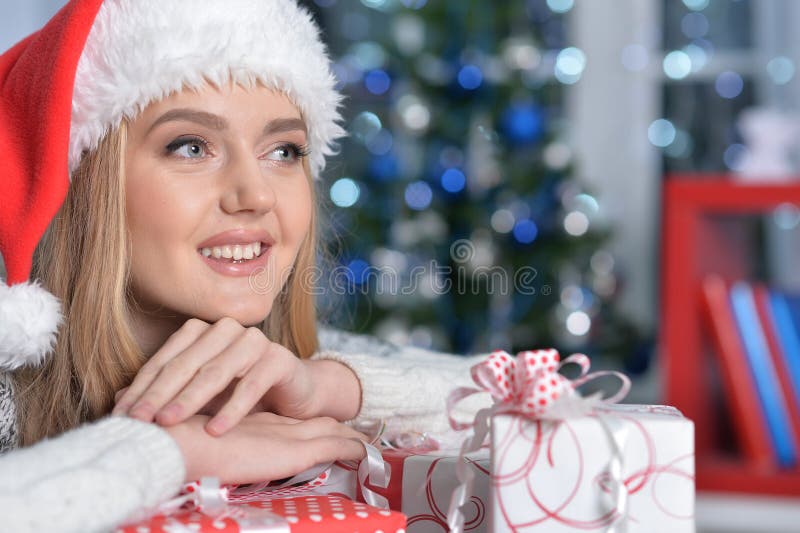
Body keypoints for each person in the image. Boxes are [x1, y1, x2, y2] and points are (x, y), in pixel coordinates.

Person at [0, 1, 490, 531]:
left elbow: (536, 399)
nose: (256, 194)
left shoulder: (287, 371)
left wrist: (329, 387)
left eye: (283, 151)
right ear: (82, 180)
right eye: (191, 146)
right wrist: (161, 451)